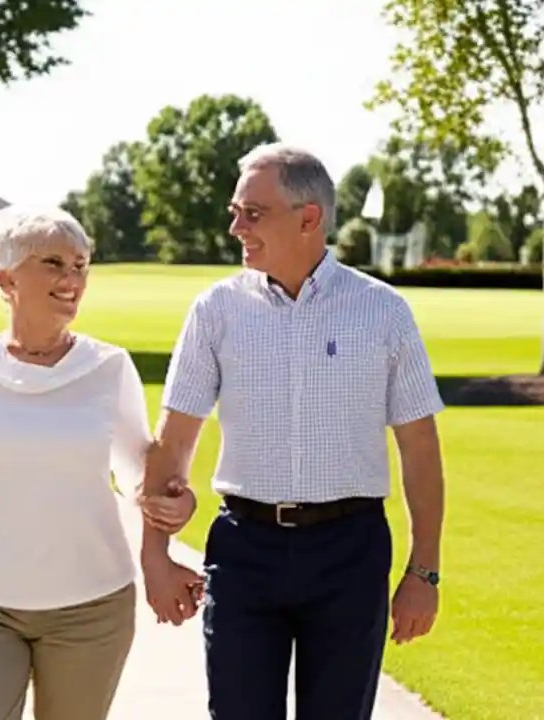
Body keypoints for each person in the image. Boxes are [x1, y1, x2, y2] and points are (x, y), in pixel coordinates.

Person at [139, 143, 448, 719]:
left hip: (350, 555)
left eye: (252, 213)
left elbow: (420, 451)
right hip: (243, 553)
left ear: (309, 219)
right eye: (235, 211)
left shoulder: (383, 313)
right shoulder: (215, 311)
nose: (235, 227)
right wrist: (154, 553)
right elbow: (173, 440)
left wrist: (423, 571)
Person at [0, 205, 198, 720]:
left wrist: (176, 504)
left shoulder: (109, 369)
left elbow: (141, 475)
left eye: (81, 265)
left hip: (91, 610)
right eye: (54, 263)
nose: (72, 279)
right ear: (6, 279)